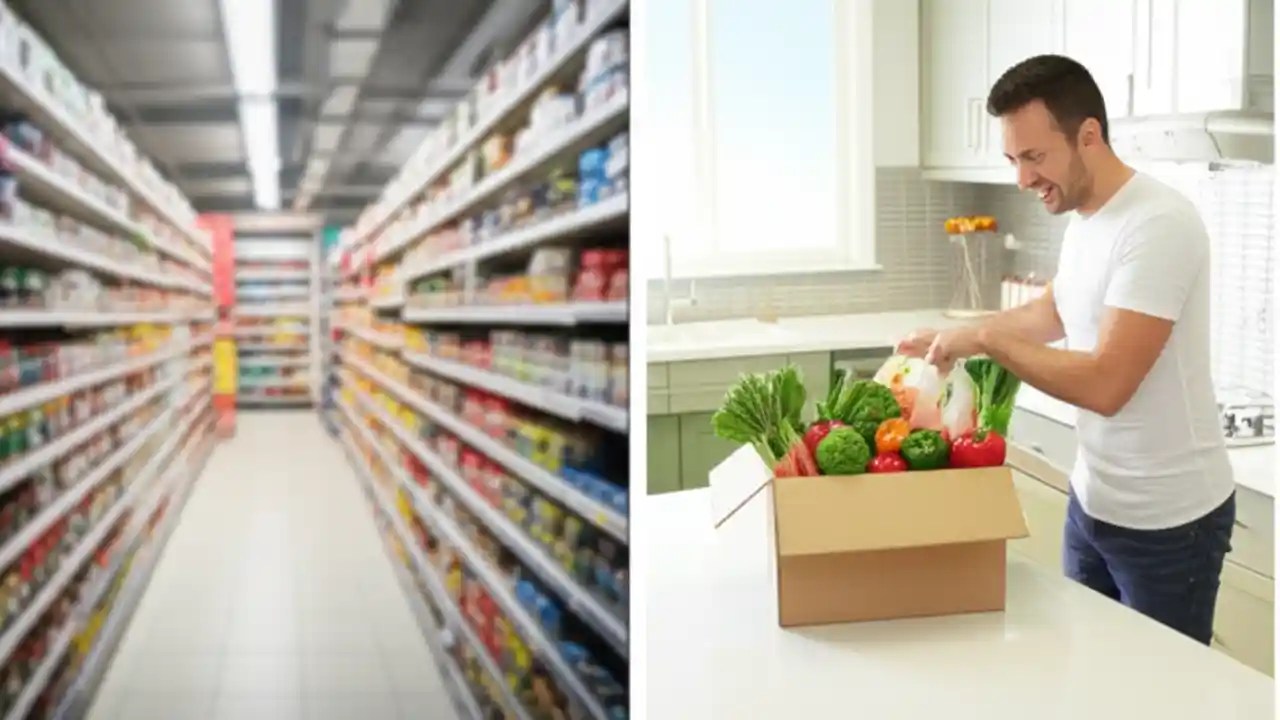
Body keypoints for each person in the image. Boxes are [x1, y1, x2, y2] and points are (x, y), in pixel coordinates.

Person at [897, 54, 1234, 645]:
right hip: (1094, 505)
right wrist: (961, 337)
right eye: (1013, 159)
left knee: (1160, 699)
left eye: (1034, 157)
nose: (1022, 179)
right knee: (1089, 686)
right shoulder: (1085, 219)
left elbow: (1107, 385)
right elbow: (1054, 311)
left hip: (1169, 525)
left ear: (1088, 136)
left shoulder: (1158, 224)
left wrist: (989, 339)